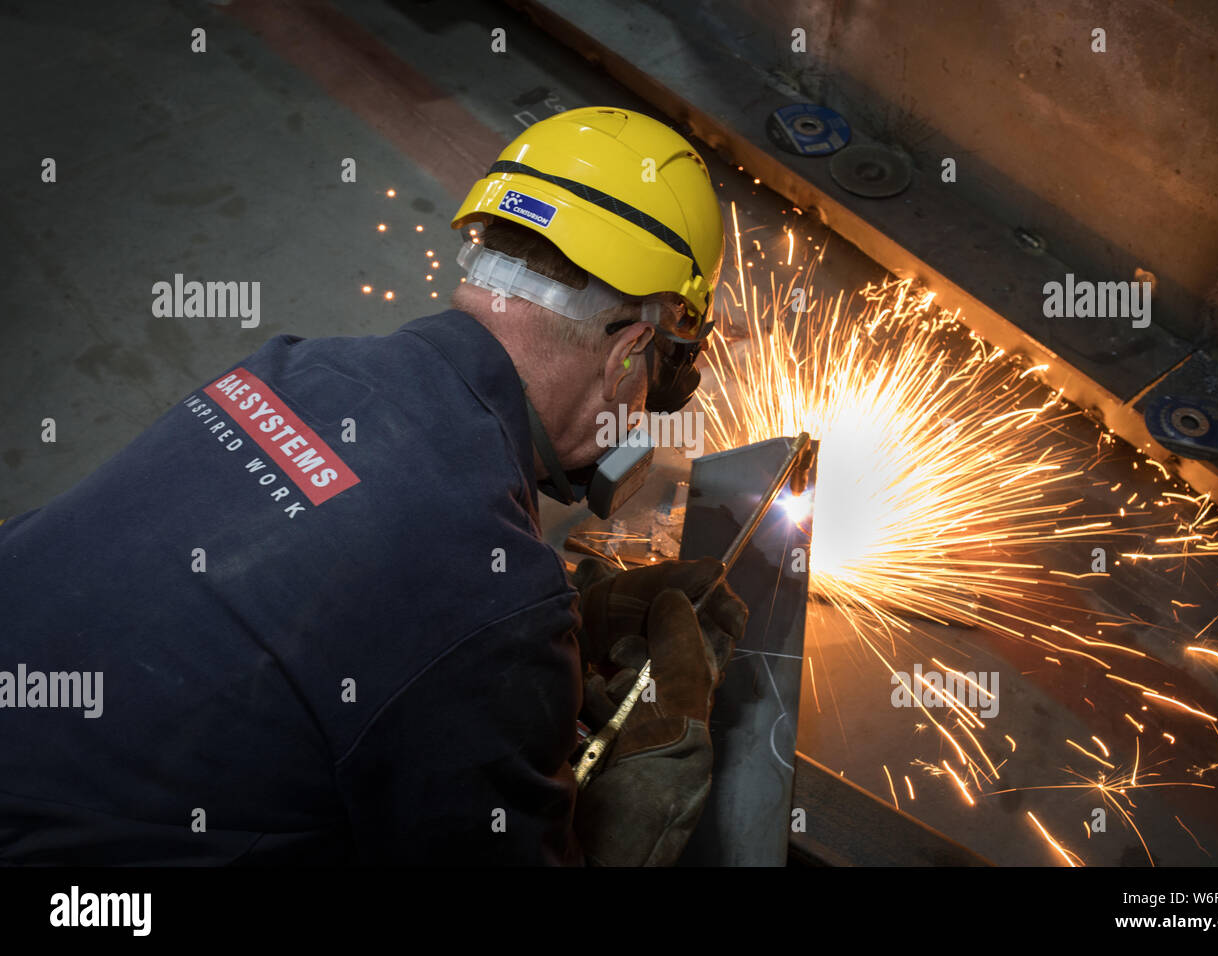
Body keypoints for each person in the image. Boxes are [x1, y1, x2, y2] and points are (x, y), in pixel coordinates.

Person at [0, 106, 746, 865]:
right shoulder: (488, 598)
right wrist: (619, 807)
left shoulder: (292, 366)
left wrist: (517, 652)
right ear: (631, 352)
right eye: (657, 379)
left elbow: (330, 593)